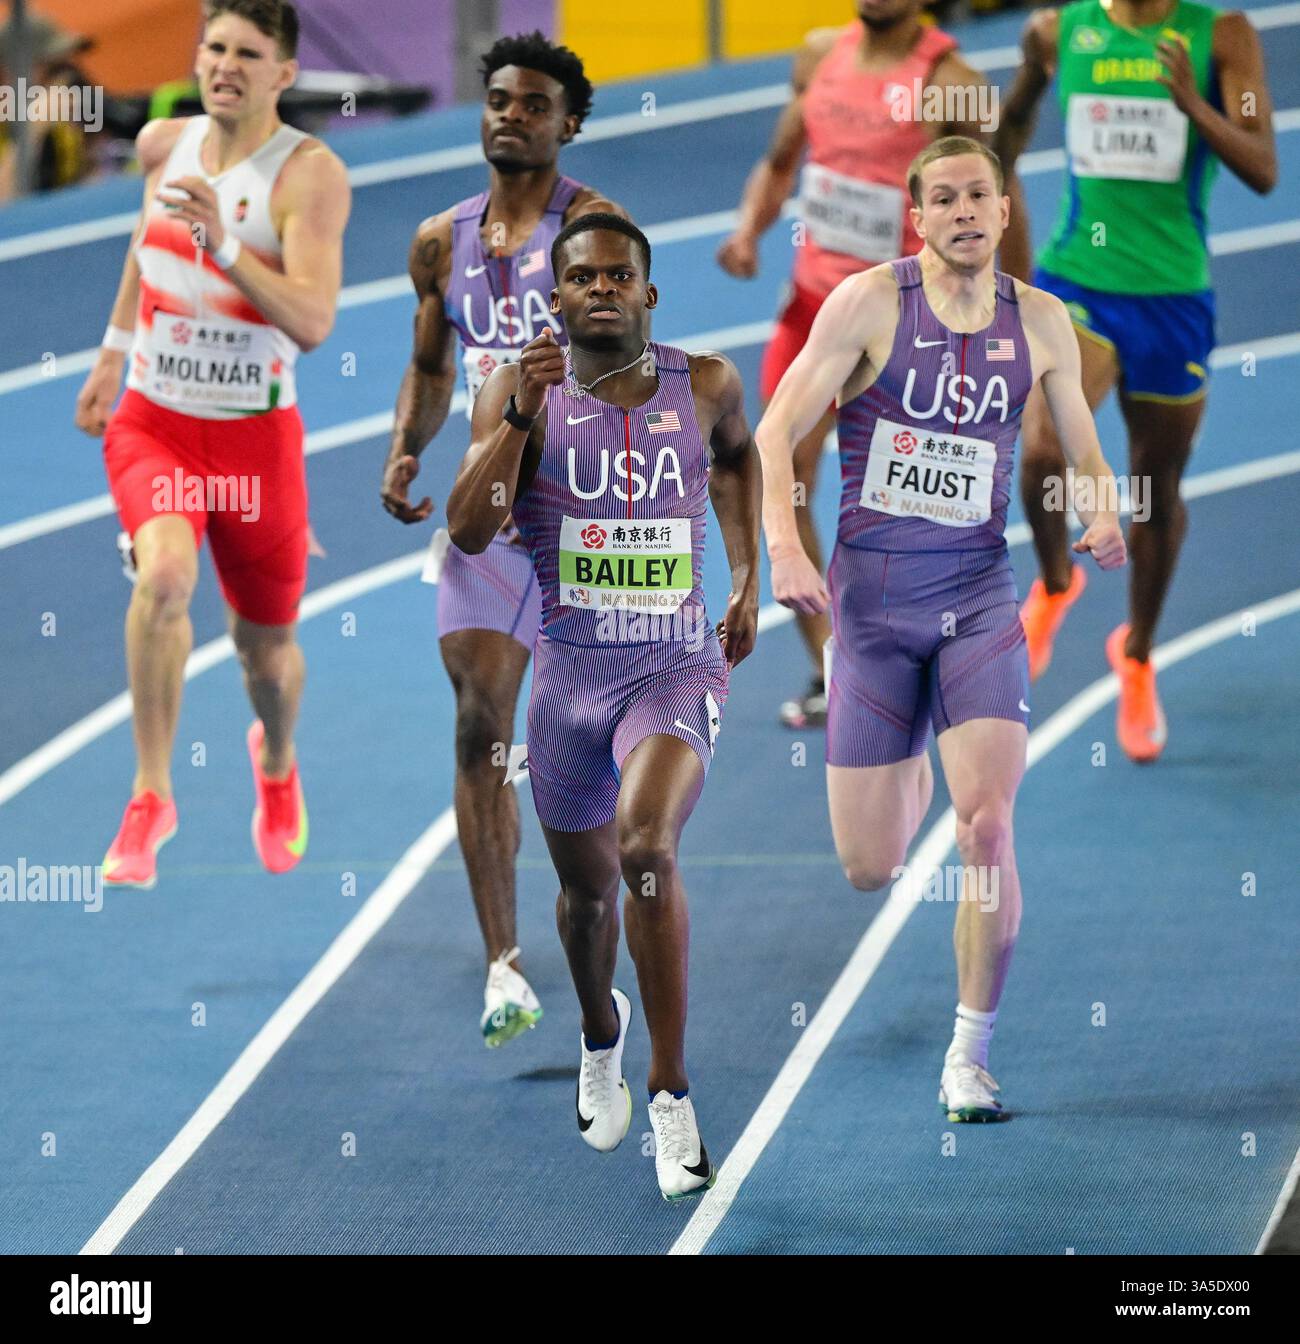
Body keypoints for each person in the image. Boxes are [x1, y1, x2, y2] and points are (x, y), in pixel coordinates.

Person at [757, 137, 1126, 1120]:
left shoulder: (1040, 321)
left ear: (1005, 211)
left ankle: (969, 1053)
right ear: (916, 218)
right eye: (944, 199)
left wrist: (1100, 512)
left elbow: (1086, 452)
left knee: (986, 826)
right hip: (872, 614)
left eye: (980, 196)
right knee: (870, 867)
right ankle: (913, 740)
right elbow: (773, 432)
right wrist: (785, 548)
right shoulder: (868, 304)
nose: (965, 212)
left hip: (977, 600)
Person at [445, 214, 760, 1198]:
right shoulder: (518, 389)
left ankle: (671, 1092)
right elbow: (469, 529)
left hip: (673, 668)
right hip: (569, 684)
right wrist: (520, 416)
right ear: (557, 299)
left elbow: (739, 459)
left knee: (646, 849)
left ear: (648, 294)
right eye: (583, 278)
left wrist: (746, 574)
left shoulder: (706, 383)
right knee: (587, 903)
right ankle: (599, 1031)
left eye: (620, 276)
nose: (603, 289)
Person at [379, 32, 624, 1049]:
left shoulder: (596, 230)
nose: (511, 116)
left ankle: (599, 923)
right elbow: (434, 365)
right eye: (499, 101)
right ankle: (503, 967)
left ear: (569, 124)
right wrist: (406, 448)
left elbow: (634, 369)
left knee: (588, 749)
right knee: (480, 721)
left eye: (534, 105)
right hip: (488, 525)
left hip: (581, 518)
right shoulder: (438, 243)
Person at [73, 0, 350, 888]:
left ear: (285, 73)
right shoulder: (164, 146)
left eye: (248, 53)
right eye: (215, 47)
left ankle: (276, 760)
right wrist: (113, 353)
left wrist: (226, 246)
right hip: (155, 422)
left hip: (256, 444)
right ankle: (152, 796)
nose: (225, 64)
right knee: (163, 579)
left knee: (265, 655)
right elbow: (142, 247)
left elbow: (312, 320)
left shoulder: (309, 177)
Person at [717, 0, 1028, 730]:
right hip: (812, 310)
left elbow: (995, 199)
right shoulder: (818, 55)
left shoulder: (952, 81)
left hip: (903, 325)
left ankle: (928, 655)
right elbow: (781, 159)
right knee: (778, 472)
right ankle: (834, 666)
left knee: (910, 505)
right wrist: (748, 230)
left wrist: (1010, 320)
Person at [997, 0, 1276, 761]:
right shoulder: (1056, 32)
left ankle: (1138, 653)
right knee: (1041, 449)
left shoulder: (1222, 37)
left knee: (1154, 487)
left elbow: (1263, 166)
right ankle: (1058, 583)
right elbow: (1010, 126)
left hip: (1172, 297)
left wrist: (1194, 105)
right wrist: (983, 192)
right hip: (1079, 279)